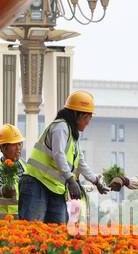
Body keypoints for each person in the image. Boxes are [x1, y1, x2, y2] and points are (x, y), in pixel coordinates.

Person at [21, 90, 108, 223]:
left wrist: (96, 181)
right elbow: (58, 154)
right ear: (76, 114)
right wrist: (71, 180)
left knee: (57, 232)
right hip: (36, 183)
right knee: (33, 229)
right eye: (86, 118)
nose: (87, 123)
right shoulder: (61, 127)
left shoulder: (73, 137)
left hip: (55, 187)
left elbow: (80, 162)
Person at [0, 124, 25, 220]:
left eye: (19, 144)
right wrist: (1, 190)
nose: (18, 148)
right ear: (2, 148)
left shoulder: (23, 165)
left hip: (22, 222)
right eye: (14, 144)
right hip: (2, 224)